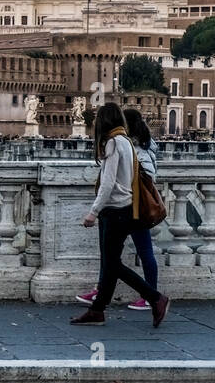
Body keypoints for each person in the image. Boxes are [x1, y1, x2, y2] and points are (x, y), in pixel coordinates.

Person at [72, 103, 170, 327]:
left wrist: (93, 212)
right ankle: (97, 311)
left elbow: (107, 184)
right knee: (110, 263)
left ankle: (155, 298)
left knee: (112, 264)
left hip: (114, 211)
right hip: (126, 209)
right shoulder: (125, 141)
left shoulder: (113, 143)